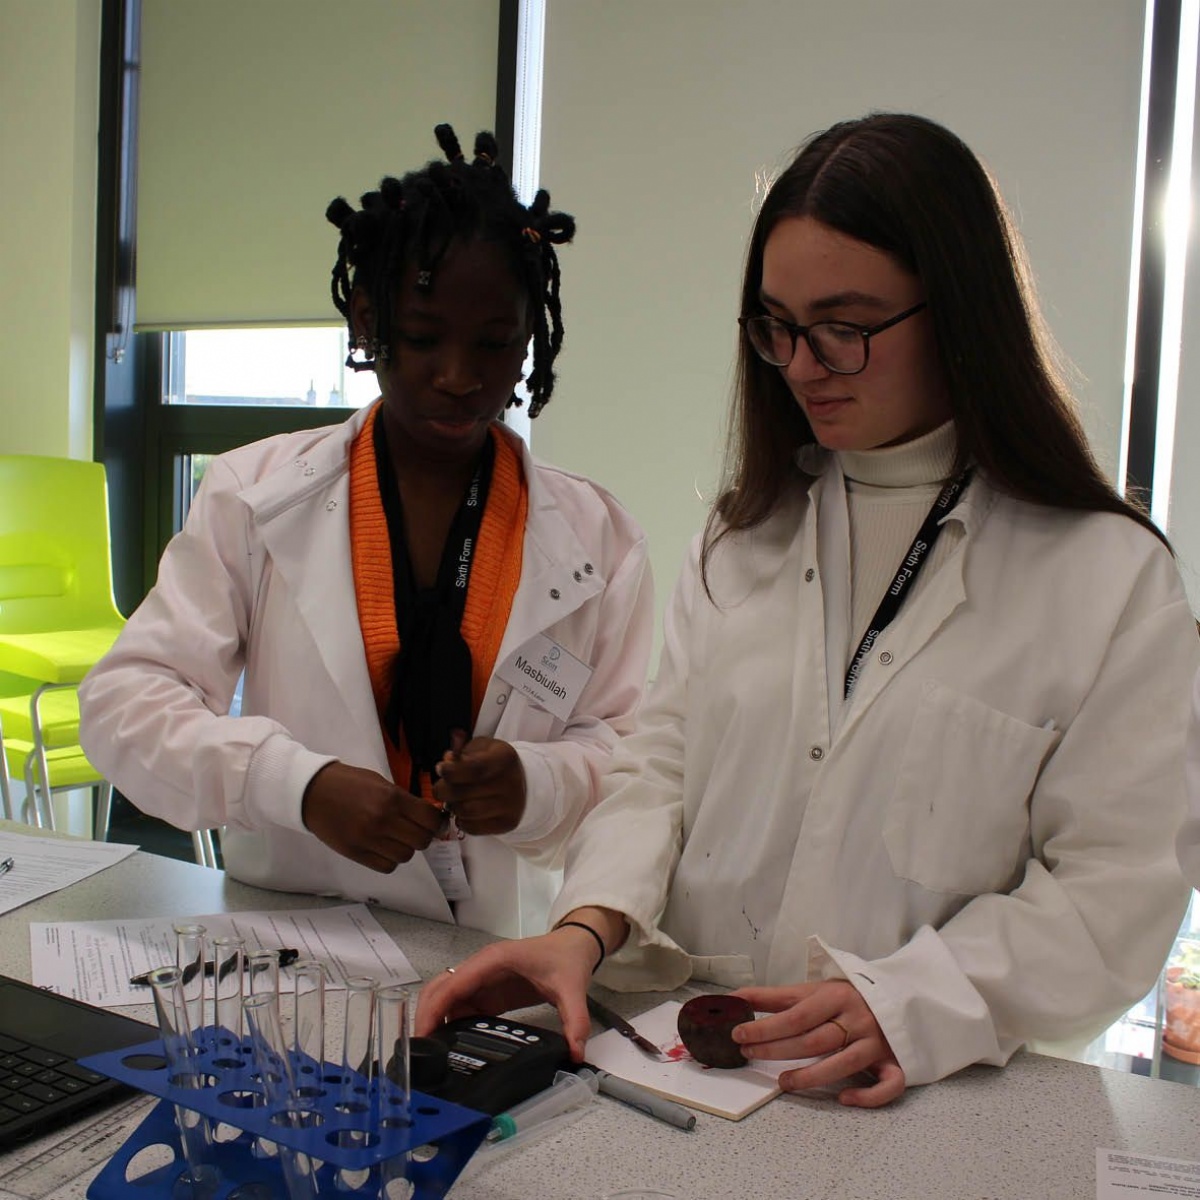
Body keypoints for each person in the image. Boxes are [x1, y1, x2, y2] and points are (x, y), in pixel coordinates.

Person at [416, 113, 1198, 1106]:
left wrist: (912, 1001)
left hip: (926, 1098)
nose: (800, 365)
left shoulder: (1105, 578)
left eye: (844, 328)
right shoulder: (743, 537)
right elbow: (661, 769)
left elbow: (1116, 889)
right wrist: (586, 927)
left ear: (960, 312)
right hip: (690, 1070)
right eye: (777, 325)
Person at [79, 125, 654, 938]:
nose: (458, 376)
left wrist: (539, 783)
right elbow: (123, 707)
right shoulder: (253, 495)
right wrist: (294, 786)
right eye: (421, 338)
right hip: (292, 941)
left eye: (494, 344)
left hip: (497, 947)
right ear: (365, 321)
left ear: (530, 338)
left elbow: (630, 756)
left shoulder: (601, 540)